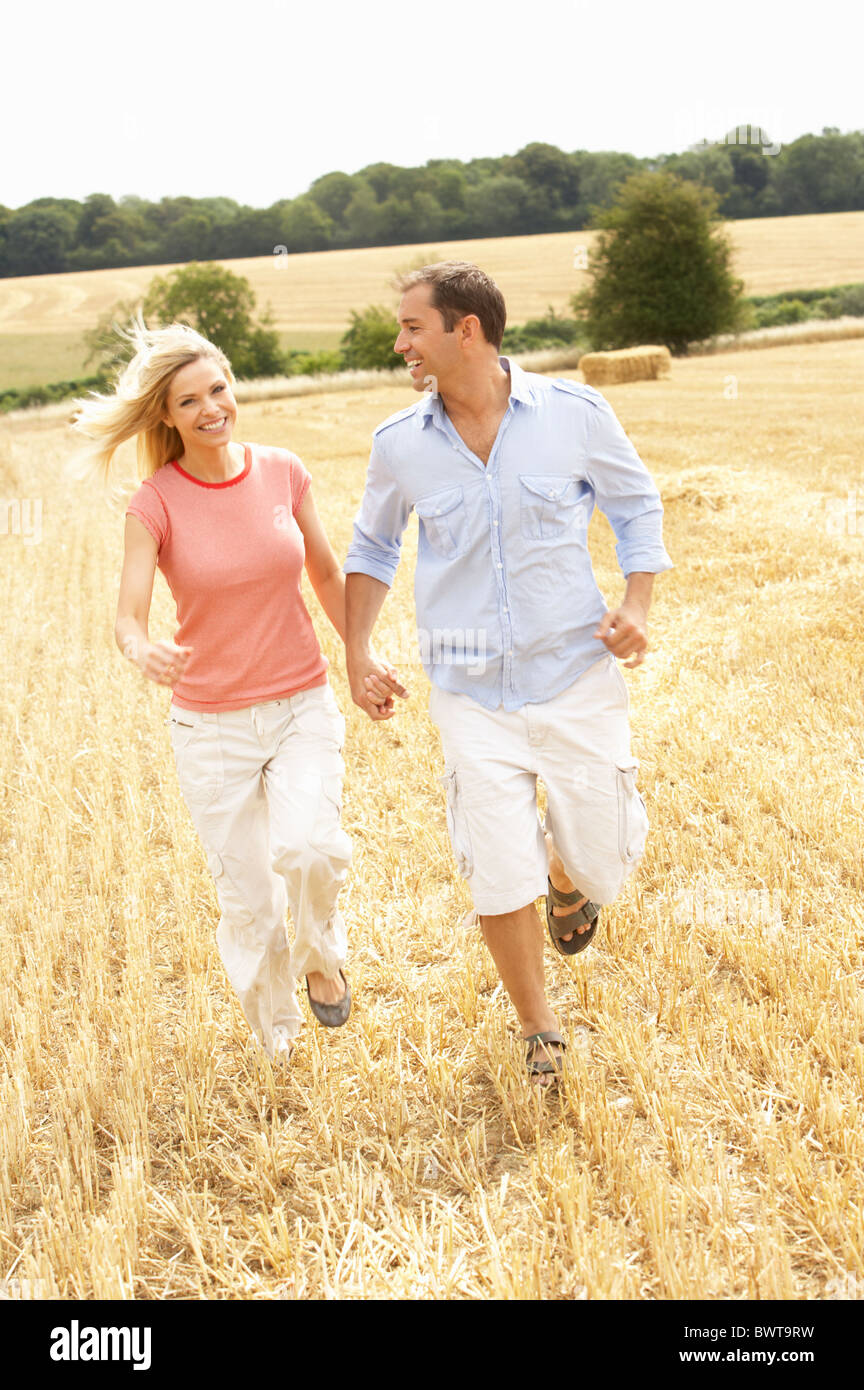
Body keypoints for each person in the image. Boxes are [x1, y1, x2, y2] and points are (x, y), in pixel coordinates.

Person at [343, 262, 672, 1086]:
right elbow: (374, 547)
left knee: (604, 860)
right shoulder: (397, 446)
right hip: (466, 688)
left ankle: (572, 877)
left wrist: (638, 603)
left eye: (412, 327)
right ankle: (539, 1027)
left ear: (466, 330)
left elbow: (635, 506)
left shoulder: (575, 414)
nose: (399, 343)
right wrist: (358, 648)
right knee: (495, 865)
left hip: (574, 671)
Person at [71, 322, 352, 1063]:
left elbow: (326, 574)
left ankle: (322, 955)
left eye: (218, 389)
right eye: (188, 400)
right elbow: (128, 616)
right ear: (165, 415)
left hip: (300, 705)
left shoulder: (282, 472)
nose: (209, 409)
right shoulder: (154, 502)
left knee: (312, 847)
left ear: (233, 385)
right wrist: (142, 650)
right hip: (210, 727)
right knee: (250, 899)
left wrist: (362, 652)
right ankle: (277, 1038)